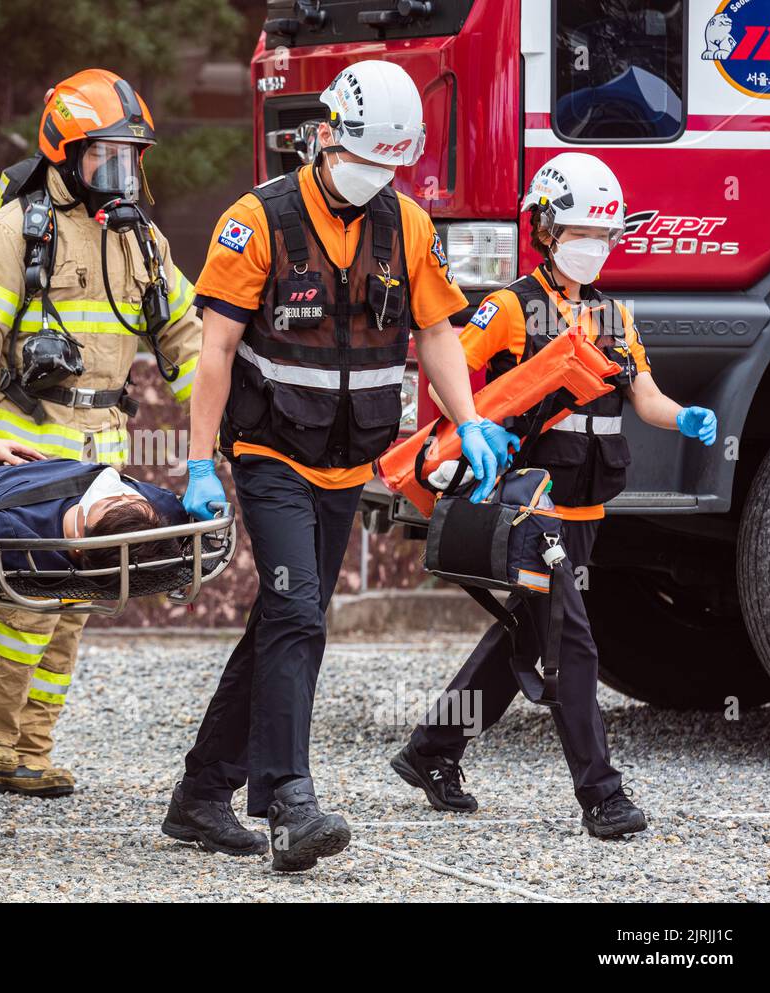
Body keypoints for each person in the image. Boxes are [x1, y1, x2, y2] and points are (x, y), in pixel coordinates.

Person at [162, 60, 510, 872]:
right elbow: (214, 346)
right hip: (272, 450)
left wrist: (471, 421)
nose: (377, 177)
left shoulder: (406, 225)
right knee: (301, 616)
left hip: (346, 460)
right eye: (366, 159)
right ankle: (289, 799)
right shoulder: (259, 220)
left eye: (391, 164)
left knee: (284, 618)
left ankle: (201, 794)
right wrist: (197, 462)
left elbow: (436, 333)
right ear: (324, 137)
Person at [393, 152, 718, 839]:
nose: (592, 247)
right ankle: (602, 795)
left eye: (604, 234)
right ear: (544, 229)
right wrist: (471, 437)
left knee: (528, 632)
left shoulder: (613, 315)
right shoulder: (509, 307)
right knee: (572, 641)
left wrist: (683, 415)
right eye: (579, 232)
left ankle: (431, 749)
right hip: (531, 507)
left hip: (586, 511)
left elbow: (645, 394)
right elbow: (448, 370)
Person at [0, 68, 202, 798]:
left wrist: (217, 439)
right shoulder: (10, 235)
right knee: (27, 604)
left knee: (77, 608)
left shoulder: (141, 241)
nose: (123, 172)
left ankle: (31, 748)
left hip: (103, 449)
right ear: (64, 153)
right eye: (107, 154)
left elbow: (187, 339)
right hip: (29, 448)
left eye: (132, 155)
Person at [0, 456, 188, 574]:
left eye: (110, 501)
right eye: (130, 496)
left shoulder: (11, 529)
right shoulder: (161, 510)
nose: (119, 490)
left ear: (80, 543)